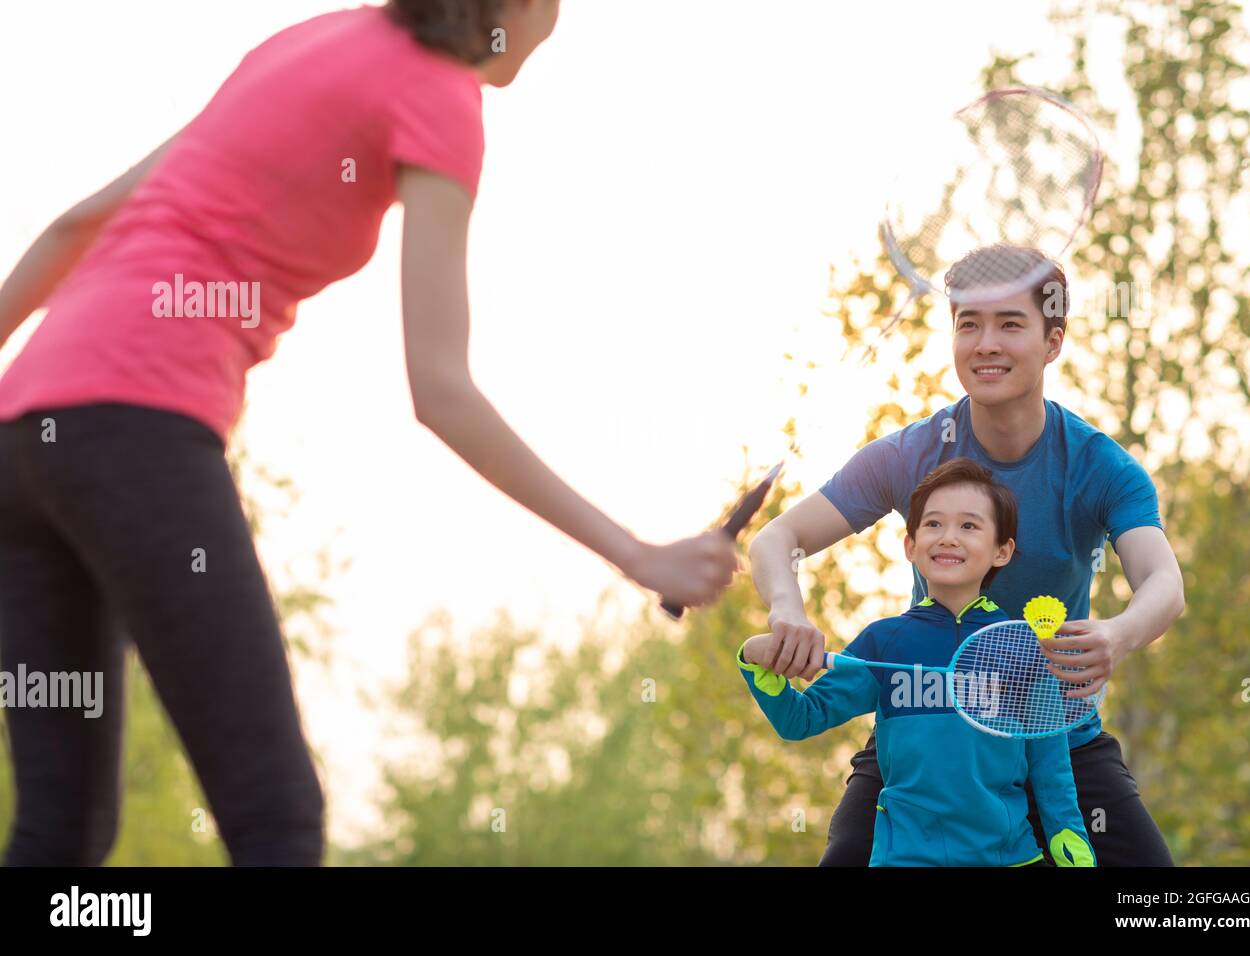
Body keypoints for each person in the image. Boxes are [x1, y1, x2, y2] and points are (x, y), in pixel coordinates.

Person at [0, 1, 737, 866]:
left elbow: (75, 225)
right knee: (274, 819)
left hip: (22, 440)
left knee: (60, 831)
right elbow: (441, 390)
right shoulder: (441, 98)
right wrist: (638, 554)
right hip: (137, 431)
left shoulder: (307, 42)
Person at [750, 245, 1184, 866]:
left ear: (1053, 341)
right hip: (928, 732)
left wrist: (1117, 634)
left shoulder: (1099, 466)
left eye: (1010, 324)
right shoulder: (910, 453)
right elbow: (775, 540)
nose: (986, 343)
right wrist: (787, 607)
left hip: (1052, 736)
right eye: (968, 324)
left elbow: (1164, 583)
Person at [738, 458, 1095, 866]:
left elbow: (1050, 766)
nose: (948, 538)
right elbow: (800, 719)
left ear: (1002, 550)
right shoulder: (883, 643)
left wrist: (1071, 840)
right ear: (910, 546)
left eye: (969, 526)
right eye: (933, 524)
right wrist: (756, 660)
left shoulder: (1025, 648)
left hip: (1011, 859)